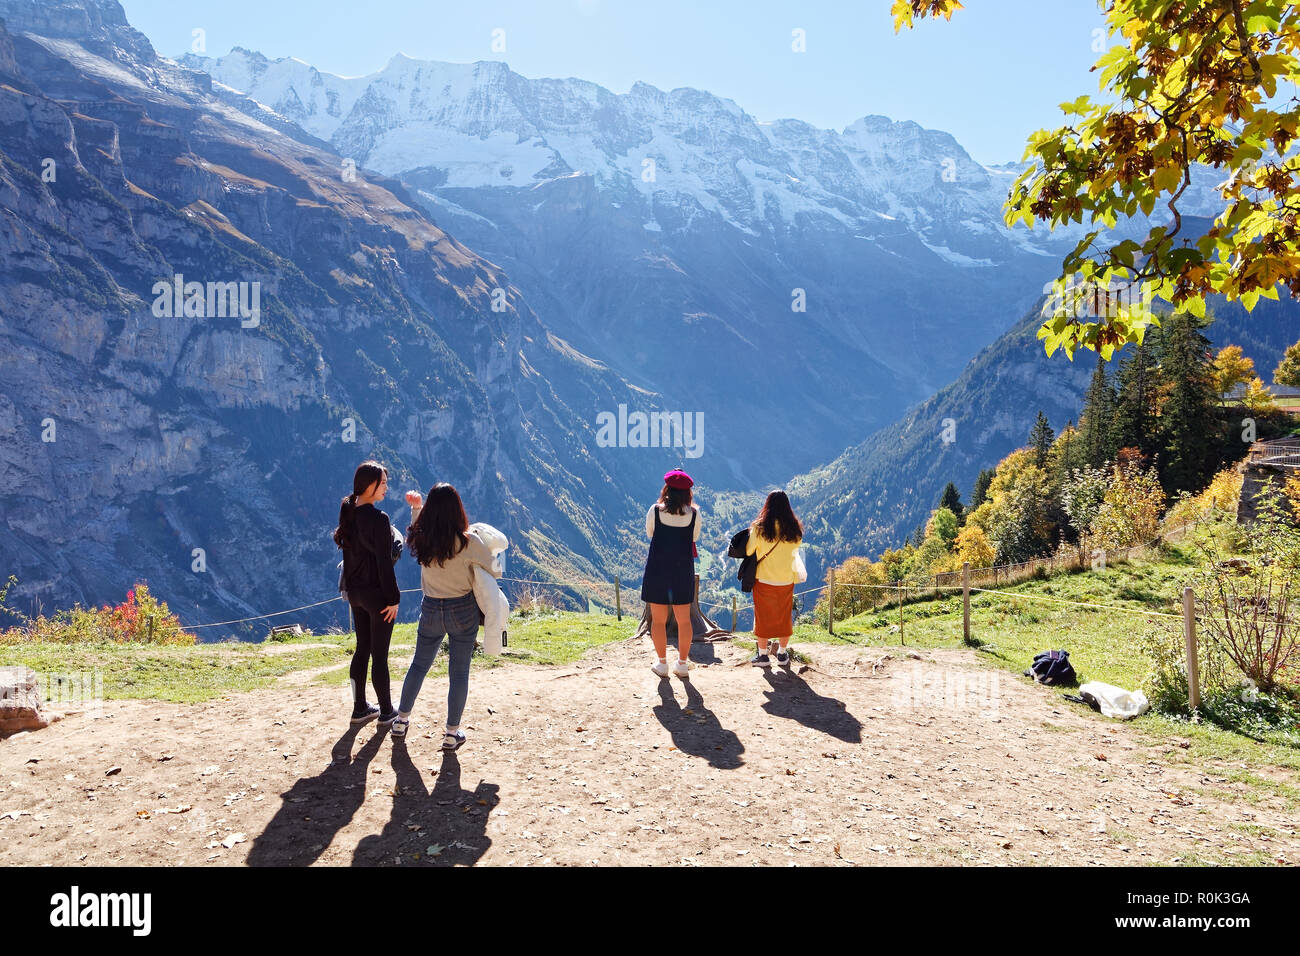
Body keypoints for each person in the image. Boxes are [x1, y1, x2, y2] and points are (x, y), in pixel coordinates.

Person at [392, 483, 500, 750]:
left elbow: (415, 529)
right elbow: (495, 571)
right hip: (462, 609)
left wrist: (416, 508)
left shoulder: (423, 539)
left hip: (430, 608)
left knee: (418, 666)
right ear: (457, 510)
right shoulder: (468, 541)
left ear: (430, 511)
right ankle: (452, 733)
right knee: (459, 672)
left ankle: (401, 720)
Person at [334, 460, 401, 726]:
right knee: (380, 654)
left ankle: (360, 707)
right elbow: (385, 564)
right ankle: (386, 711)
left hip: (355, 594)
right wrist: (393, 598)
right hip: (377, 596)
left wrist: (351, 590)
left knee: (362, 650)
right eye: (382, 483)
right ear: (369, 485)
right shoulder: (379, 518)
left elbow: (349, 559)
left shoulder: (348, 512)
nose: (386, 487)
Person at [640, 469, 701, 679]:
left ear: (666, 489)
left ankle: (662, 663)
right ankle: (682, 664)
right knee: (684, 621)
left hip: (658, 570)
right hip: (682, 571)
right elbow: (694, 537)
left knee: (658, 621)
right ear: (687, 493)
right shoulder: (694, 514)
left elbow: (650, 533)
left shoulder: (655, 511)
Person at [746, 490, 803, 667]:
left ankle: (763, 656)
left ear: (767, 506)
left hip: (763, 579)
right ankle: (782, 654)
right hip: (786, 579)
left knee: (762, 616)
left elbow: (748, 551)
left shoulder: (759, 527)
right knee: (784, 616)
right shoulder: (795, 530)